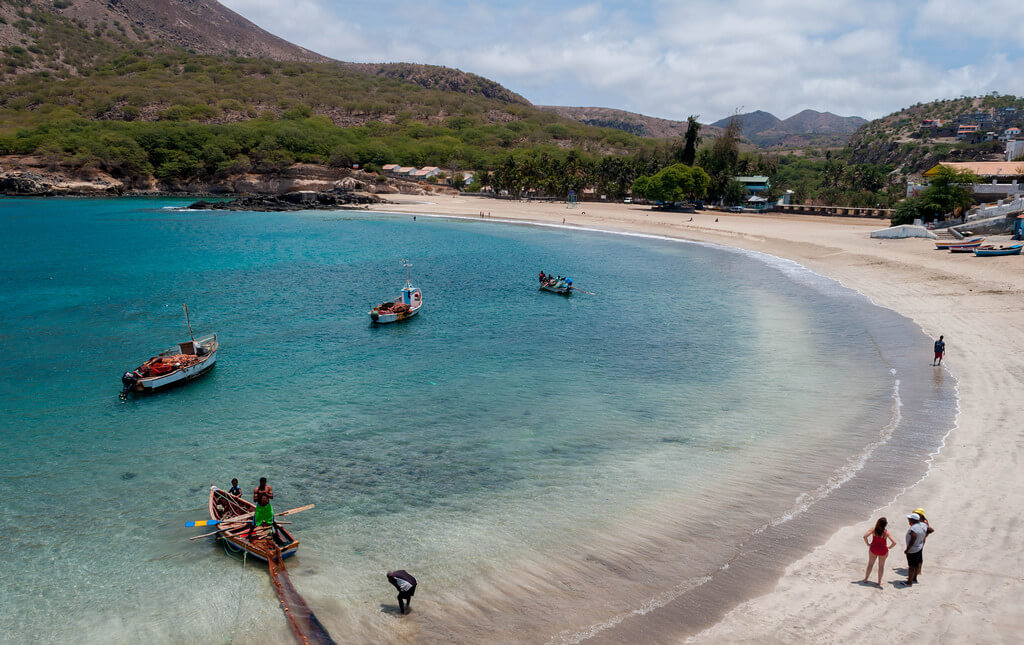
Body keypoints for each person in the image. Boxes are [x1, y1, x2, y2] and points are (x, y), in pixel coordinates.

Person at [861, 517, 895, 586]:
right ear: (885, 524)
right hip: (883, 550)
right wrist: (889, 547)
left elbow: (865, 536)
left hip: (873, 549)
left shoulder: (873, 529)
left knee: (870, 564)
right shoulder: (886, 532)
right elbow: (894, 542)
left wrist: (868, 544)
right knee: (881, 566)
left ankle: (865, 579)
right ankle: (879, 582)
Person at [904, 512, 928, 585]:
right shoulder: (923, 525)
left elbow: (913, 538)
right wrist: (923, 537)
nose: (908, 519)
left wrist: (908, 549)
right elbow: (929, 529)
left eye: (909, 518)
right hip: (919, 547)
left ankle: (909, 582)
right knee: (917, 564)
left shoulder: (913, 528)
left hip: (913, 549)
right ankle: (914, 579)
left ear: (912, 520)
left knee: (911, 566)